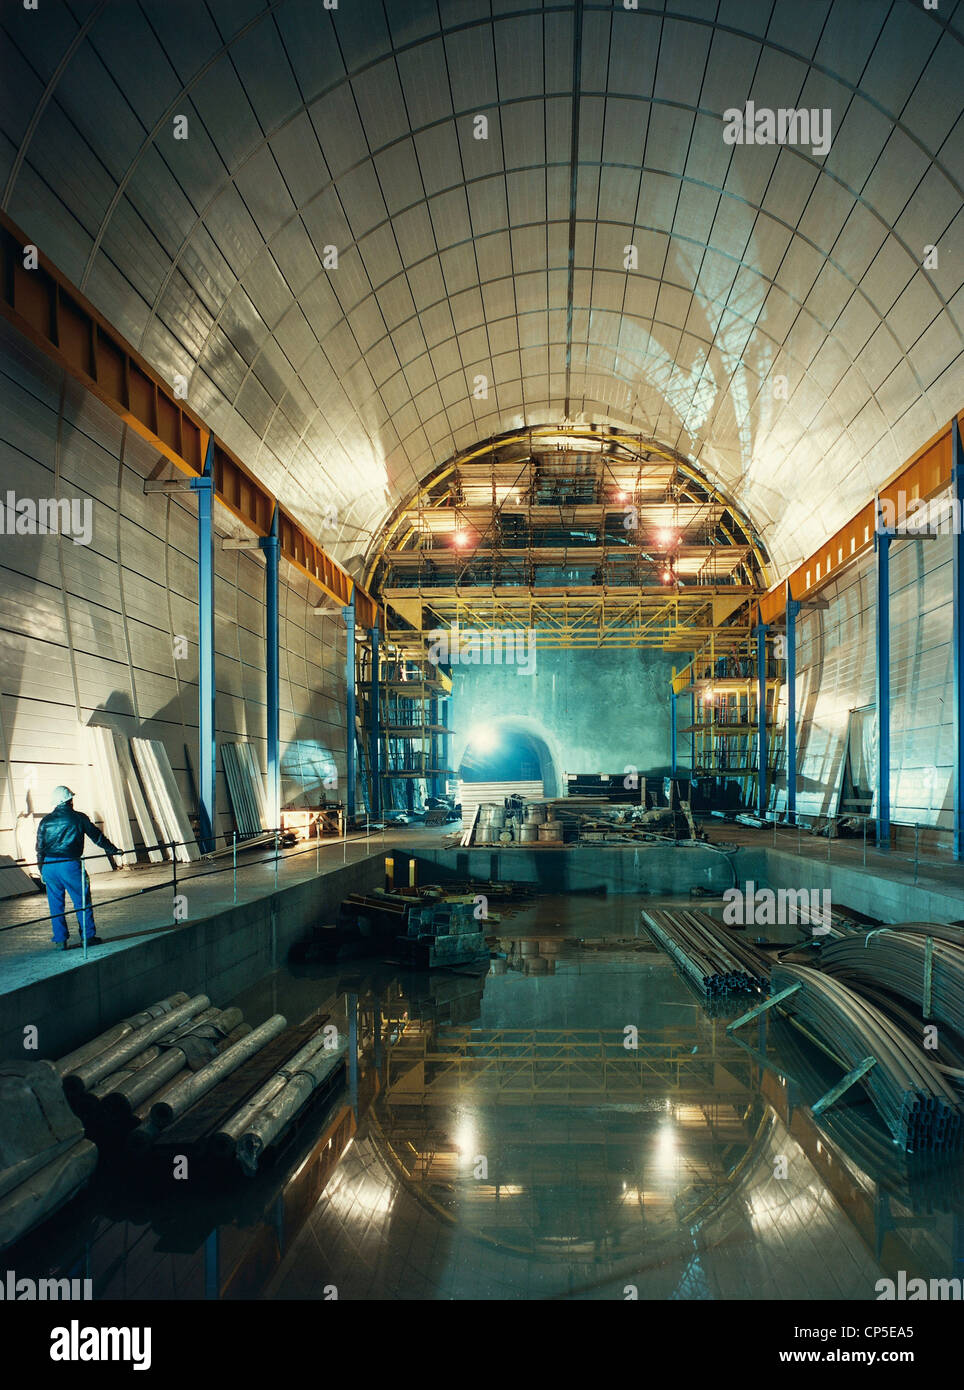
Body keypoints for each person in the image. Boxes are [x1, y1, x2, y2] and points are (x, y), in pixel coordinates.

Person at [36, 787, 122, 950]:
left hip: (49, 865)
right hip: (69, 865)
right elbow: (97, 837)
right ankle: (88, 937)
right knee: (82, 900)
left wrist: (41, 870)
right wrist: (113, 850)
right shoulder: (79, 818)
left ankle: (60, 940)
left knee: (55, 904)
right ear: (69, 800)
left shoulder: (45, 821)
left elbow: (39, 848)